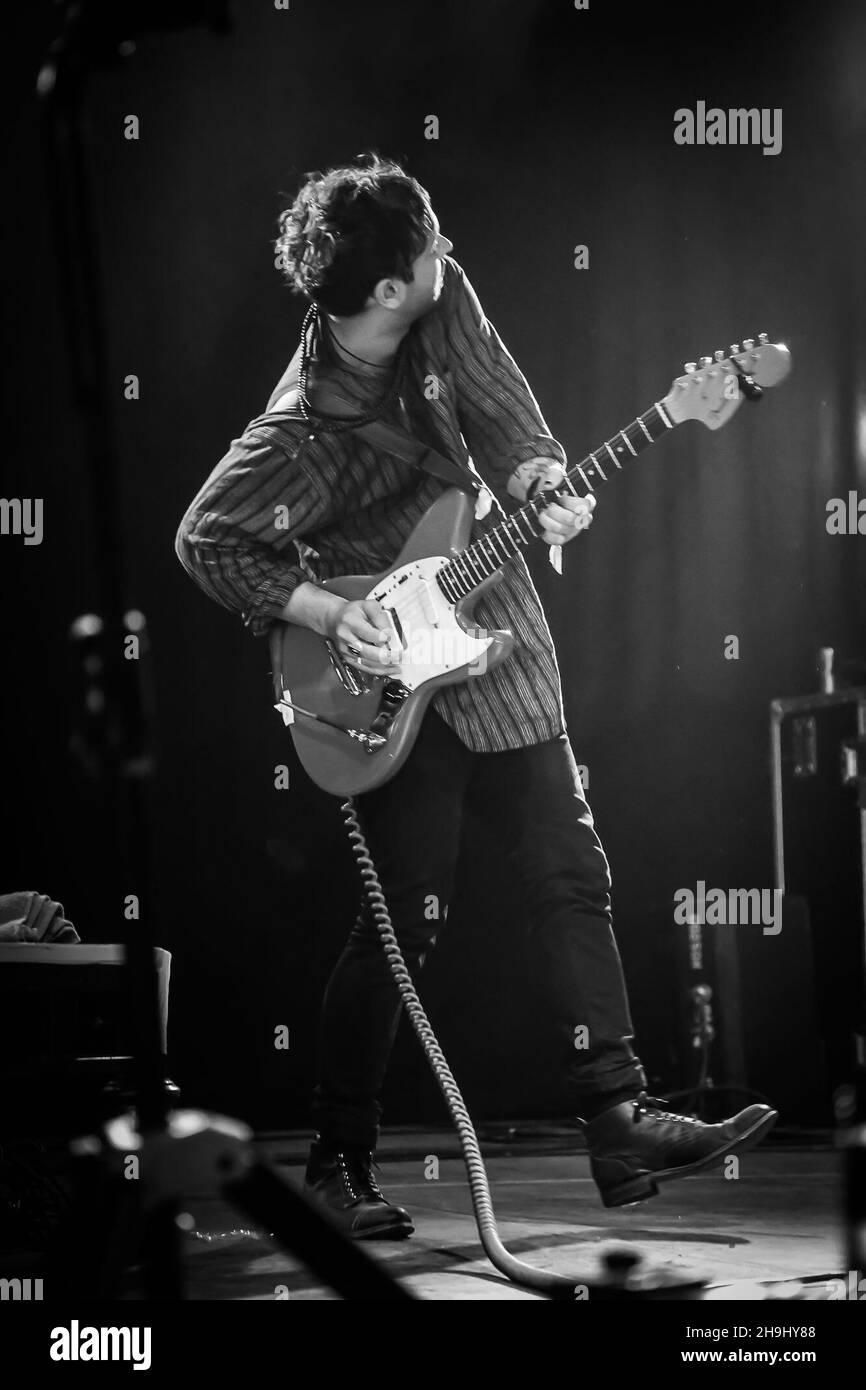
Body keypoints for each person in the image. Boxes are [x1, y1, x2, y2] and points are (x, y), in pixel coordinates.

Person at [175, 154, 777, 1240]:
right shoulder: (296, 429)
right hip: (380, 685)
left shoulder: (446, 305)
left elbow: (510, 417)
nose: (449, 254)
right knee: (399, 925)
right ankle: (335, 1162)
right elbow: (203, 540)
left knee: (568, 864)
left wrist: (545, 485)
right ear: (385, 291)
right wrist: (317, 608)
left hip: (497, 635)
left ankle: (616, 1117)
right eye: (431, 249)